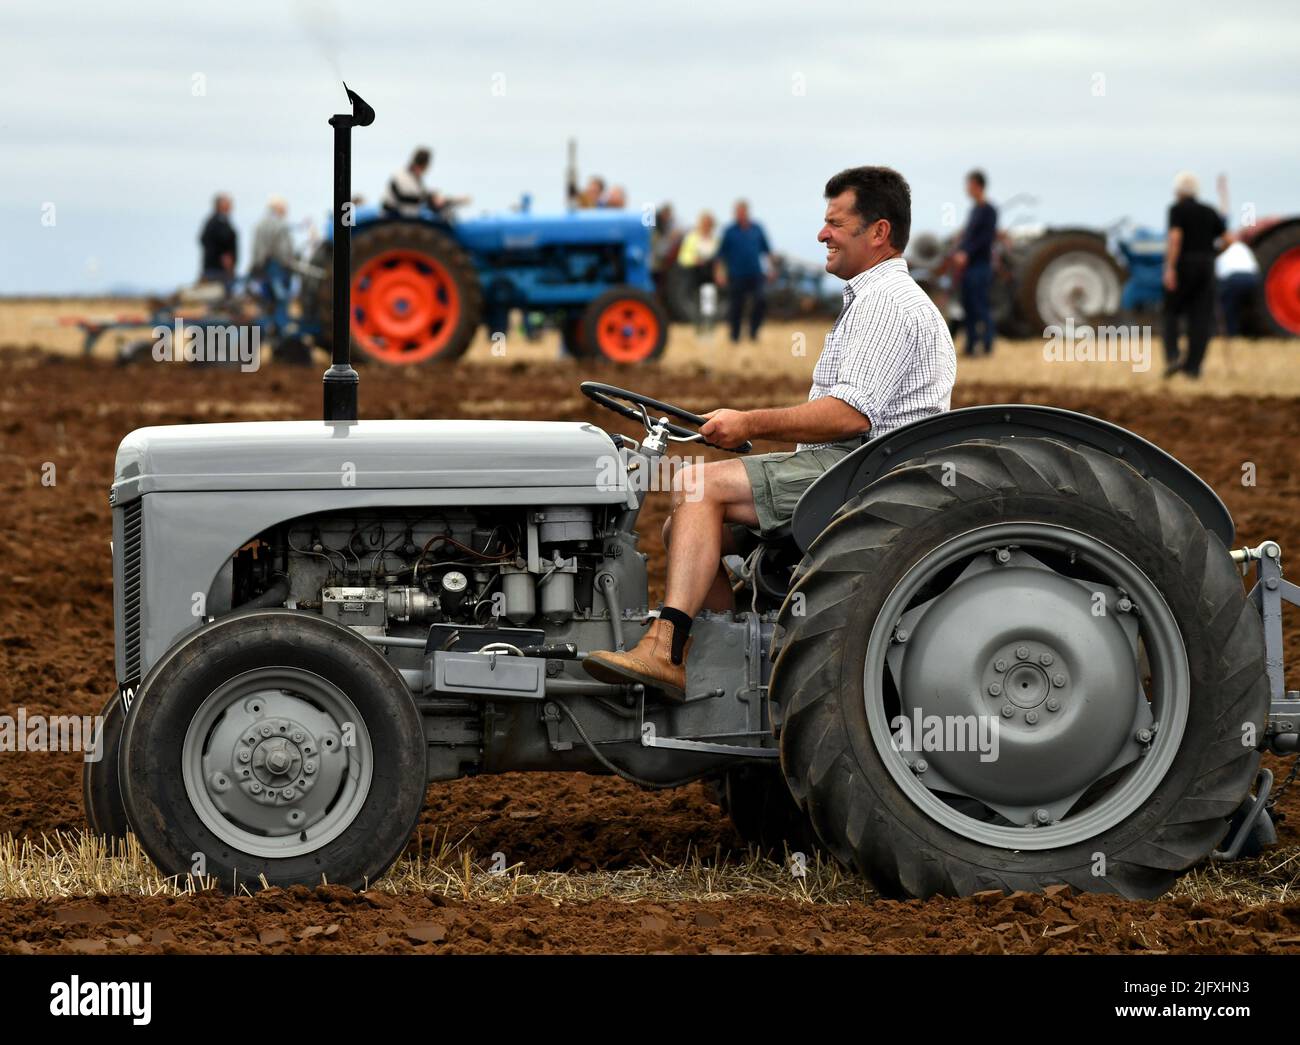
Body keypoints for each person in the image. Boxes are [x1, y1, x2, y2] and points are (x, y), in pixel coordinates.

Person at [583, 167, 956, 701]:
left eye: (835, 223)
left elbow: (851, 415)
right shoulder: (871, 299)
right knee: (680, 530)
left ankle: (665, 649)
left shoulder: (890, 303)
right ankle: (735, 658)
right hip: (848, 463)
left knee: (696, 489)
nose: (822, 234)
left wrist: (748, 421)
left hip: (862, 470)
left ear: (878, 232)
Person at [1163, 171, 1226, 378]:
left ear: (1178, 191)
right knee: (1201, 318)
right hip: (1206, 266)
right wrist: (1213, 255)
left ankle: (1173, 355)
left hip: (1184, 265)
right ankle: (1193, 368)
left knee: (1171, 311)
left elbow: (1175, 238)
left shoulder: (1177, 210)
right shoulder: (1209, 211)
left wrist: (1170, 268)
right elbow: (1228, 239)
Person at [953, 169, 998, 355]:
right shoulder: (974, 210)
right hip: (968, 266)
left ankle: (987, 345)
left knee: (980, 306)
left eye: (969, 185)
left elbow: (985, 239)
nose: (967, 189)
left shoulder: (989, 210)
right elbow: (969, 237)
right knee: (968, 306)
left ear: (978, 186)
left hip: (980, 266)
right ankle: (970, 347)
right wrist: (958, 250)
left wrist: (966, 253)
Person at [715, 200, 772, 342]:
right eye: (738, 212)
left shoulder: (757, 229)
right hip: (736, 275)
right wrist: (719, 273)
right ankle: (735, 336)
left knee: (760, 300)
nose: (741, 215)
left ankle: (753, 332)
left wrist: (771, 269)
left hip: (755, 274)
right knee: (736, 306)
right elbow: (720, 255)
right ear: (735, 214)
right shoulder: (729, 231)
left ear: (747, 212)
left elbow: (767, 251)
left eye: (743, 212)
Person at [249, 196, 296, 333]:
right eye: (284, 208)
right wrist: (288, 263)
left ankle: (267, 325)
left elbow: (256, 247)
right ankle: (283, 325)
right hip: (277, 266)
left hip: (264, 266)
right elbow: (283, 249)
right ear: (278, 208)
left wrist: (257, 264)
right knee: (281, 296)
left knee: (267, 297)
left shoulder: (260, 224)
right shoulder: (280, 224)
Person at [381, 147, 470, 219]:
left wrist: (432, 197)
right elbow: (410, 198)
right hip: (395, 215)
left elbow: (419, 195)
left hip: (404, 213)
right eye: (425, 168)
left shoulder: (412, 177)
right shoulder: (402, 177)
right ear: (422, 165)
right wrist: (431, 199)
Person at [676, 210, 720, 331]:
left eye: (709, 223)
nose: (707, 226)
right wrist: (695, 260)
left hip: (709, 274)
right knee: (694, 302)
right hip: (694, 273)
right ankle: (698, 326)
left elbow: (719, 259)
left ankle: (709, 327)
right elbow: (683, 257)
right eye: (705, 223)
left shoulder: (716, 240)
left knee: (709, 301)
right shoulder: (691, 238)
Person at [1216, 235, 1260, 337]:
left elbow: (1219, 276)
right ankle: (1252, 334)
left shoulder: (1222, 255)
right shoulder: (1242, 247)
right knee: (1251, 307)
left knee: (1228, 307)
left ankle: (1230, 333)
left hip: (1233, 279)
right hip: (1253, 278)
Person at [199, 193, 237, 288]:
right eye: (228, 204)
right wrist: (223, 256)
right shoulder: (216, 222)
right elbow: (217, 240)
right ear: (220, 206)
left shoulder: (221, 221)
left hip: (217, 268)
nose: (231, 206)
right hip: (217, 270)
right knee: (220, 297)